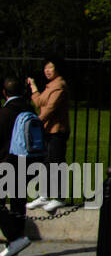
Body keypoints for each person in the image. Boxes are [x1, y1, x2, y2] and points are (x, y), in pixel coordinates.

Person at [25, 57, 69, 211]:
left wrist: (36, 122)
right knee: (46, 163)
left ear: (57, 69)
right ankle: (44, 195)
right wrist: (34, 87)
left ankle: (59, 197)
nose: (47, 70)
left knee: (56, 163)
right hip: (47, 130)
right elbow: (39, 103)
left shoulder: (59, 86)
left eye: (50, 67)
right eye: (45, 68)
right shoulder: (50, 86)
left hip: (57, 130)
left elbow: (50, 108)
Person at [0, 78, 34, 256]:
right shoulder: (29, 110)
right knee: (18, 204)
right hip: (26, 161)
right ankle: (15, 244)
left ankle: (15, 239)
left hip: (6, 162)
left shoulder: (5, 113)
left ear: (4, 93)